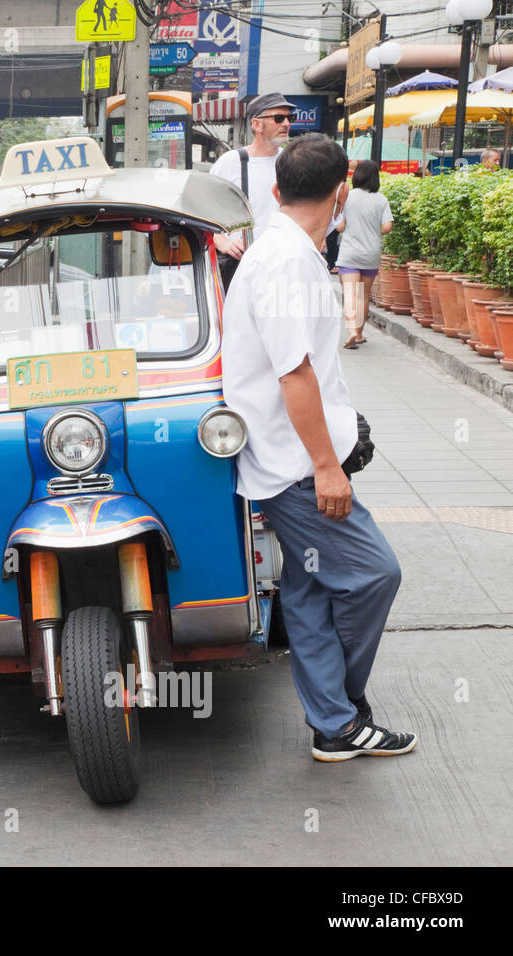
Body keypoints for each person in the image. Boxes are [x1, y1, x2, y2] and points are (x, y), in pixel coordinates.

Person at [222, 133, 414, 762]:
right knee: (373, 574)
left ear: (276, 191)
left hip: (288, 458)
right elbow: (294, 373)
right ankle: (341, 713)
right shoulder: (288, 261)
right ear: (342, 193)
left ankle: (333, 721)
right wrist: (327, 467)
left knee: (307, 590)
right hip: (295, 467)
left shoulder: (283, 251)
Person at [209, 92, 296, 291]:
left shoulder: (292, 162)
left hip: (283, 265)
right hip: (242, 265)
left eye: (289, 118)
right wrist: (220, 241)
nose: (286, 124)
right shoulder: (232, 162)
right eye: (278, 118)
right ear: (256, 124)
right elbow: (204, 211)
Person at [336, 159, 393, 348]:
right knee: (363, 295)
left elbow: (340, 227)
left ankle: (352, 331)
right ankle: (359, 334)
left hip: (350, 252)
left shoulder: (348, 197)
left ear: (357, 176)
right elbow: (387, 227)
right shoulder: (381, 199)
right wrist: (372, 231)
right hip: (371, 252)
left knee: (351, 293)